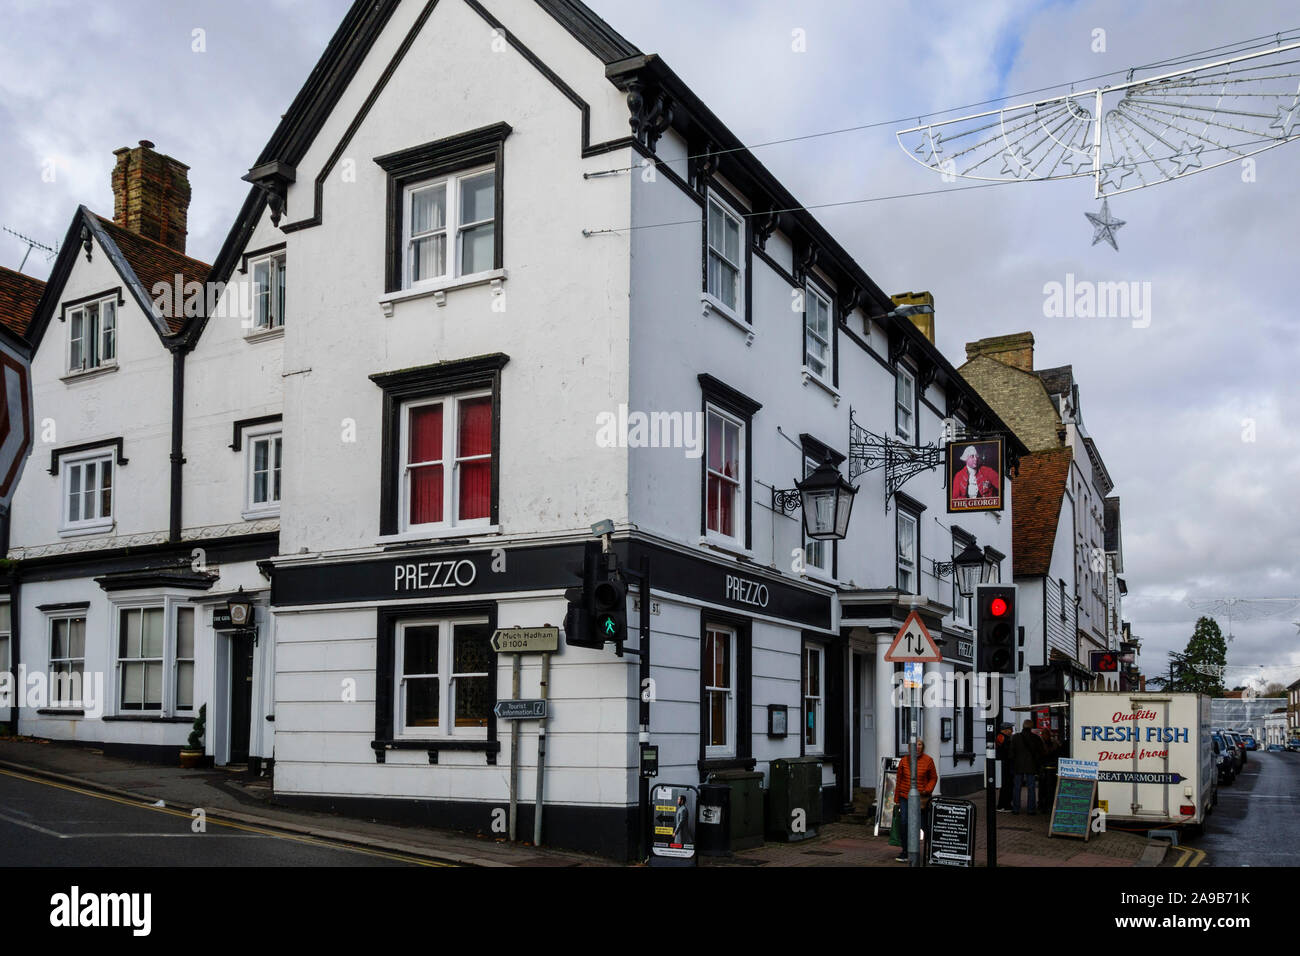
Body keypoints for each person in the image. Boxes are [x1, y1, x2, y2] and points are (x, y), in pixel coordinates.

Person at [894, 739, 938, 862]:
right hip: (905, 796)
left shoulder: (928, 760)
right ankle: (905, 851)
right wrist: (897, 799)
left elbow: (933, 778)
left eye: (919, 745)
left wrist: (927, 790)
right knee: (904, 823)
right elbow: (899, 780)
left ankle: (932, 852)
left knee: (924, 824)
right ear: (909, 748)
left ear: (922, 747)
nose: (917, 747)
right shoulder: (903, 761)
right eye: (914, 745)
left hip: (921, 798)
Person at [1010, 719, 1046, 814]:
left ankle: (1016, 808)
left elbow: (1011, 752)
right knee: (1031, 787)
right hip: (1031, 766)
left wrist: (1013, 763)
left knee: (1017, 787)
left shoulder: (1015, 737)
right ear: (1031, 727)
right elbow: (1041, 752)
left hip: (1018, 766)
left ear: (1023, 726)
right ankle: (1031, 809)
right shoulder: (1036, 738)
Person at [995, 722, 1015, 811]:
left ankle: (1002, 805)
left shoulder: (1000, 737)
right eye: (1011, 729)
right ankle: (1005, 805)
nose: (1012, 731)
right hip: (1005, 764)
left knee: (1005, 785)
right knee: (1007, 785)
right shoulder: (1004, 738)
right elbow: (1007, 751)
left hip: (1003, 763)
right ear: (1006, 730)